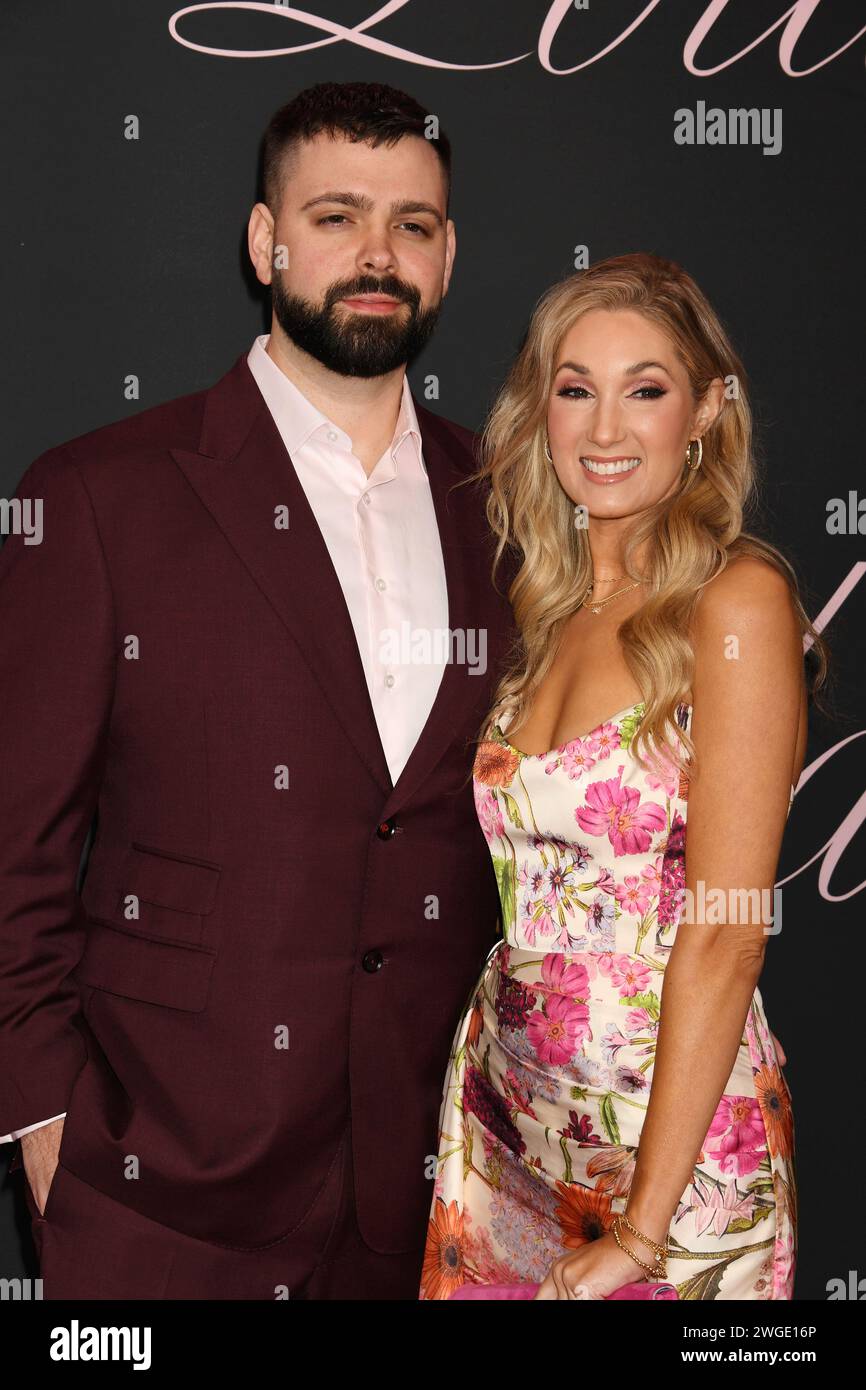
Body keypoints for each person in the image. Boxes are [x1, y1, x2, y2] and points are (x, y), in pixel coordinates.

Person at [0, 81, 517, 1299]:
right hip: (155, 1194)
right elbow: (12, 847)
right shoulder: (96, 496)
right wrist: (43, 1127)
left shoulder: (507, 507)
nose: (377, 254)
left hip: (435, 1196)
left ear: (447, 261)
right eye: (336, 216)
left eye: (414, 224)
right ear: (263, 241)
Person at [419, 252, 827, 1301]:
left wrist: (642, 1235)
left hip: (673, 1158)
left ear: (702, 411)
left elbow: (730, 924)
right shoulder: (547, 607)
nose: (604, 430)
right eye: (574, 389)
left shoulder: (734, 602)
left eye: (643, 389)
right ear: (538, 408)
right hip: (510, 1123)